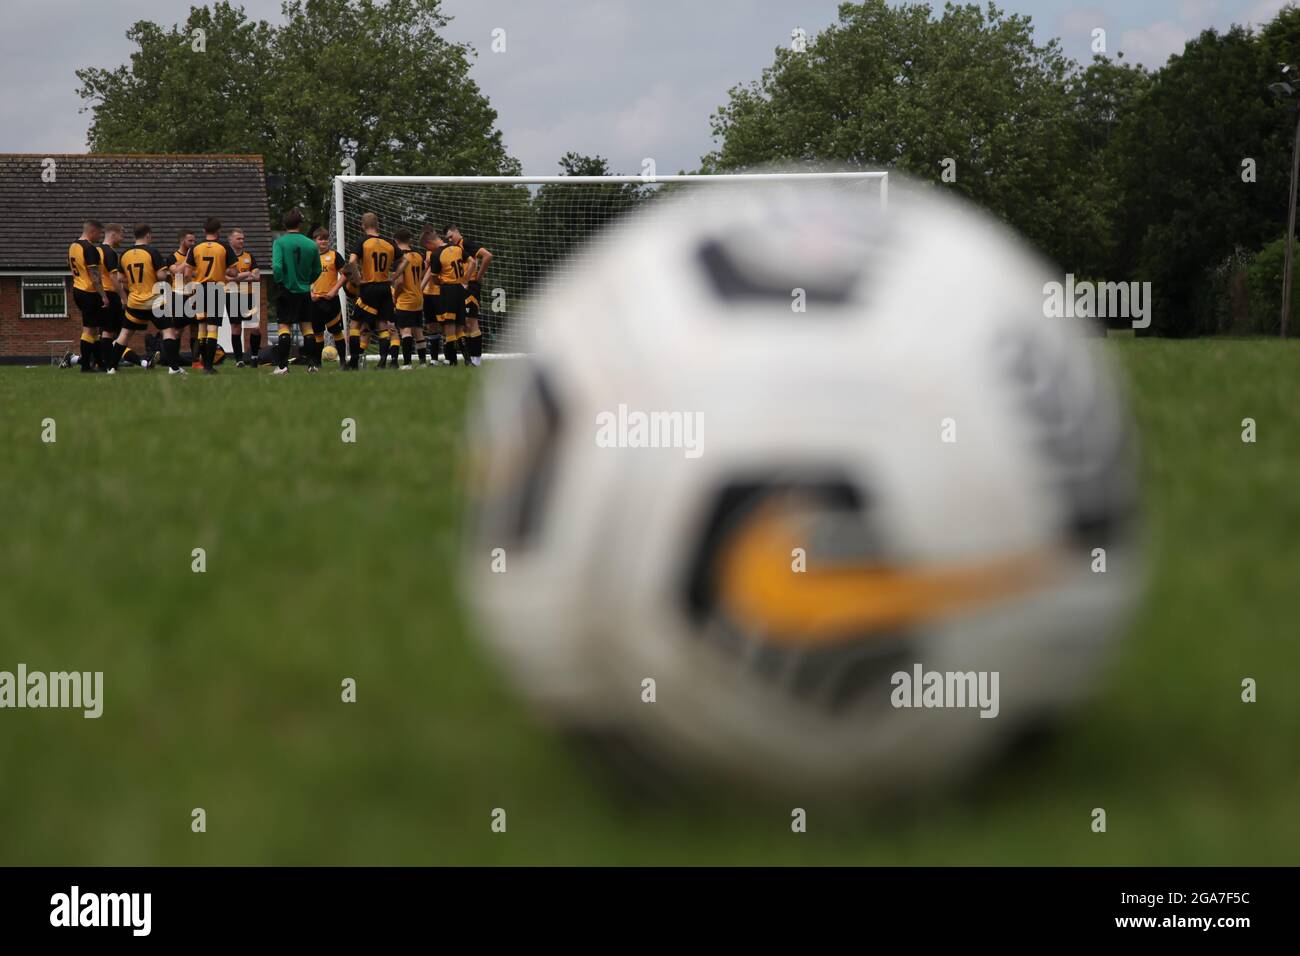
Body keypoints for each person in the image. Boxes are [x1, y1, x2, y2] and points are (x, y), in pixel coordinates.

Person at [116, 224, 183, 373]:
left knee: (125, 334)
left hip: (134, 301)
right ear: (148, 235)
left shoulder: (125, 254)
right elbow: (161, 276)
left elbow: (121, 278)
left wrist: (135, 286)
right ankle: (174, 368)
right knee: (168, 332)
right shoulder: (152, 252)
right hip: (154, 300)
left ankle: (111, 368)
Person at [270, 208, 322, 374]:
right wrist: (307, 282)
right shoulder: (311, 244)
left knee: (284, 326)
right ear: (300, 223)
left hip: (286, 289)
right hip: (304, 291)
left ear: (285, 224)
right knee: (307, 327)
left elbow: (277, 266)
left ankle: (283, 367)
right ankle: (312, 365)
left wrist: (280, 281)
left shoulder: (280, 242)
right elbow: (318, 270)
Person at [68, 219, 109, 373]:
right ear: (92, 231)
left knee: (94, 328)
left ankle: (99, 362)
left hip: (77, 288)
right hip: (89, 291)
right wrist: (103, 295)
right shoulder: (90, 249)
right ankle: (85, 366)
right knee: (89, 330)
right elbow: (94, 275)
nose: (99, 237)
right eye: (99, 233)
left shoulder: (73, 246)